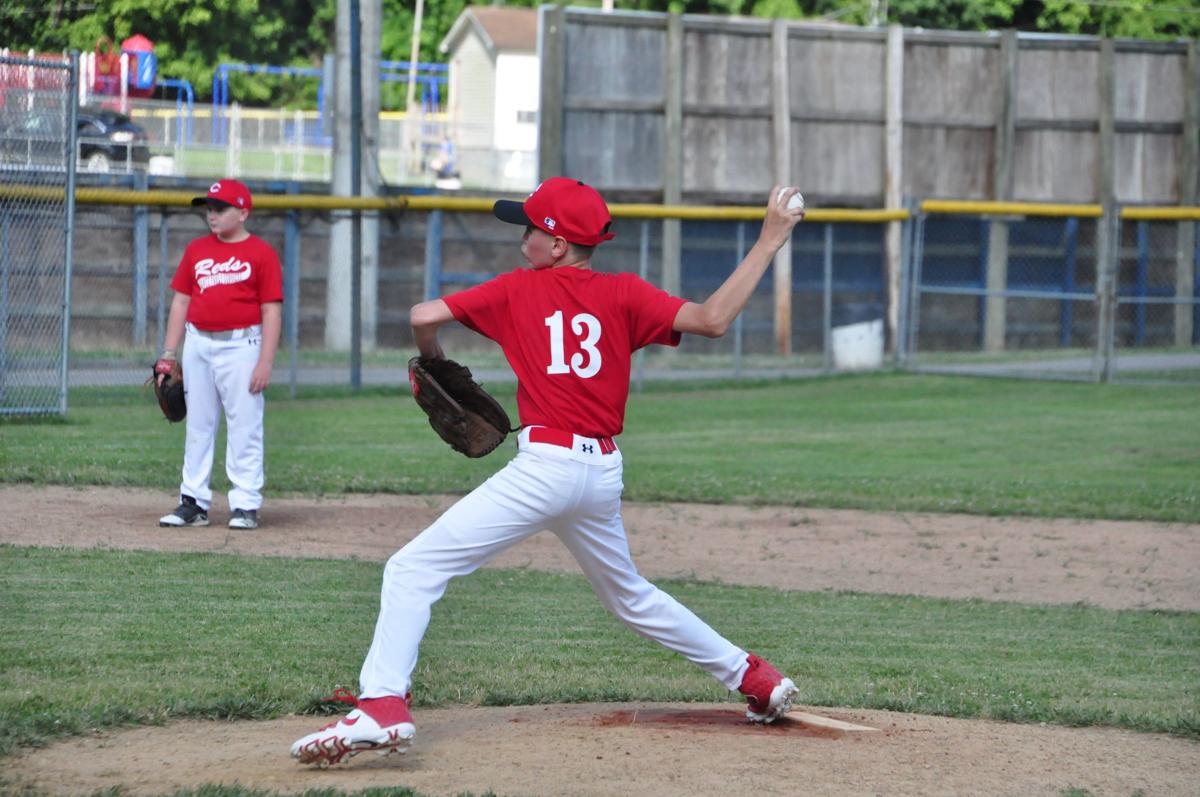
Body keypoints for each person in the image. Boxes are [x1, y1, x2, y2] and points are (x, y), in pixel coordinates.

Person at [291, 178, 806, 766]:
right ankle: (756, 678)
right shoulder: (624, 293)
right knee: (629, 597)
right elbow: (713, 319)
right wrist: (769, 239)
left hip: (544, 469)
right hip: (600, 473)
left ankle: (381, 706)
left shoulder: (518, 290)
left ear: (557, 245)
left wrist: (430, 362)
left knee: (412, 568)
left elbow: (422, 314)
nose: (523, 237)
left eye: (532, 228)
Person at [156, 179, 283, 531]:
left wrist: (266, 362)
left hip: (242, 346)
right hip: (198, 345)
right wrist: (169, 353)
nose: (212, 215)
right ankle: (193, 502)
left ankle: (244, 503)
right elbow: (181, 301)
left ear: (243, 212)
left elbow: (271, 310)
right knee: (198, 425)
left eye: (220, 208)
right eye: (209, 209)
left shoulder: (261, 253)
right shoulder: (197, 249)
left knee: (244, 425)